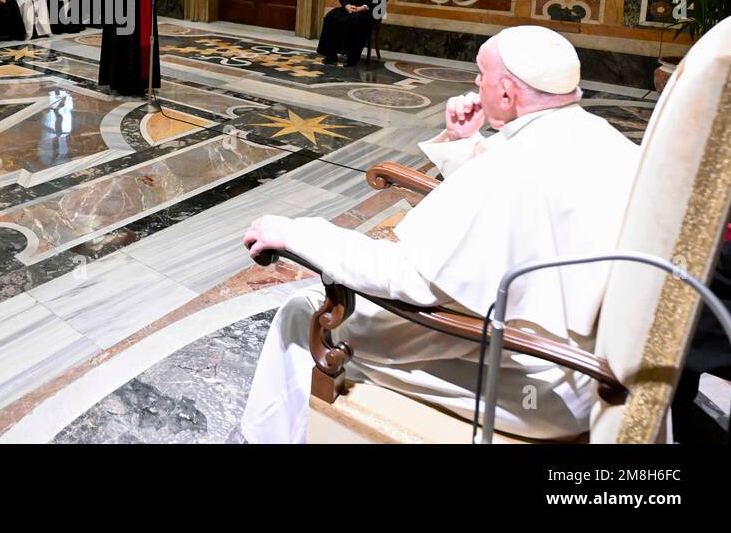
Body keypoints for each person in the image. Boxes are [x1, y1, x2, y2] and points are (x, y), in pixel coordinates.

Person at [240, 26, 641, 442]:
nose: (476, 84)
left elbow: (409, 278)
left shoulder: (513, 171)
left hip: (535, 384)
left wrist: (296, 233)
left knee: (304, 311)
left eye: (481, 76)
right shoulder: (603, 139)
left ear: (506, 93)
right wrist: (462, 142)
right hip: (584, 362)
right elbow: (514, 208)